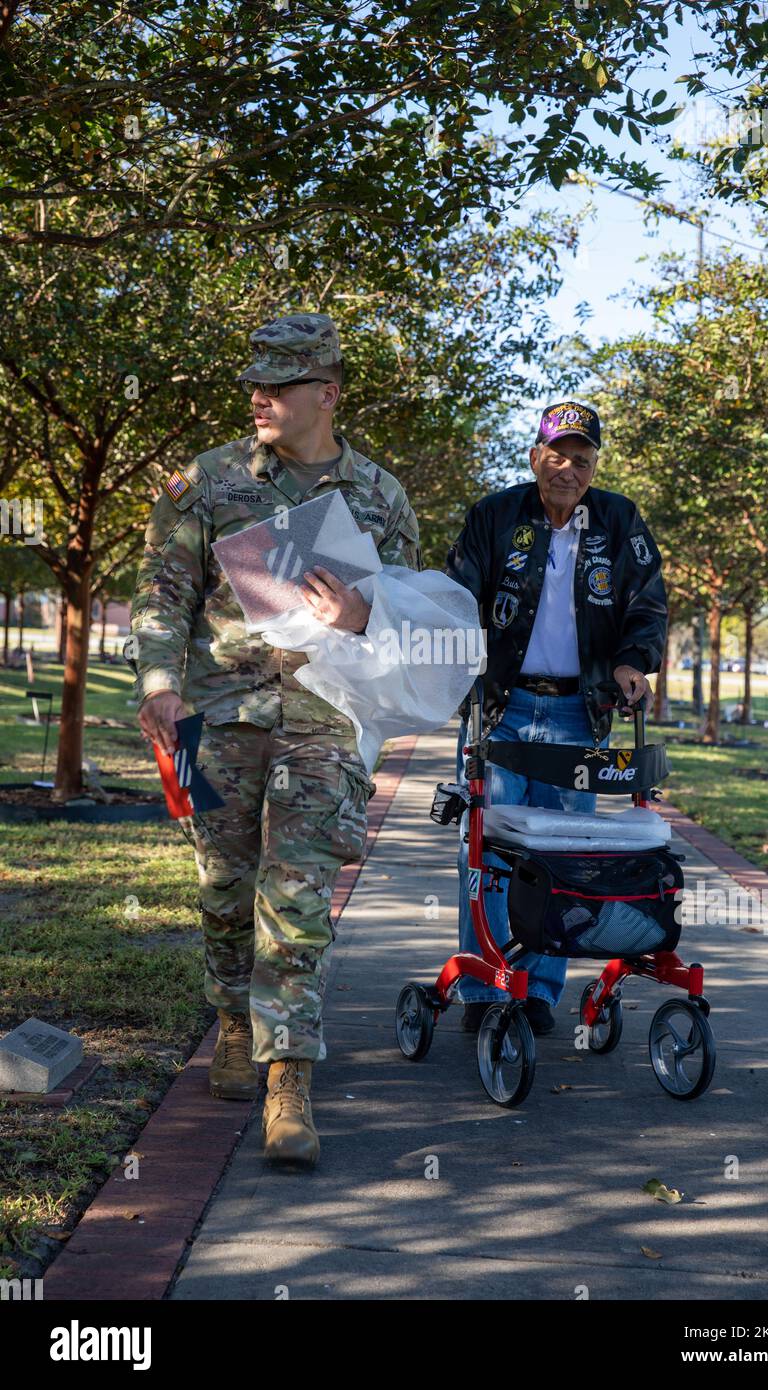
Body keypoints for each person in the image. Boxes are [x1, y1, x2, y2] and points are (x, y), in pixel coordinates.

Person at [127, 314, 421, 1167]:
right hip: (207, 718)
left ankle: (289, 1078)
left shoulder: (381, 496)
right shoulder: (206, 481)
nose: (258, 397)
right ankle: (232, 1019)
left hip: (325, 720)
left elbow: (411, 616)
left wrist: (363, 615)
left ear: (326, 393)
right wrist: (158, 684)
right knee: (223, 887)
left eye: (278, 385)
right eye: (253, 384)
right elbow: (161, 592)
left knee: (296, 895)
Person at [445, 400, 667, 1035]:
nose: (569, 468)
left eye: (582, 458)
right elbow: (457, 598)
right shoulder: (494, 516)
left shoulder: (619, 520)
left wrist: (632, 662)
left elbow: (647, 603)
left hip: (579, 710)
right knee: (487, 851)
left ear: (595, 465)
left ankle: (539, 990)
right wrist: (455, 670)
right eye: (557, 455)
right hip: (501, 707)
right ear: (534, 457)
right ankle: (486, 986)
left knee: (564, 855)